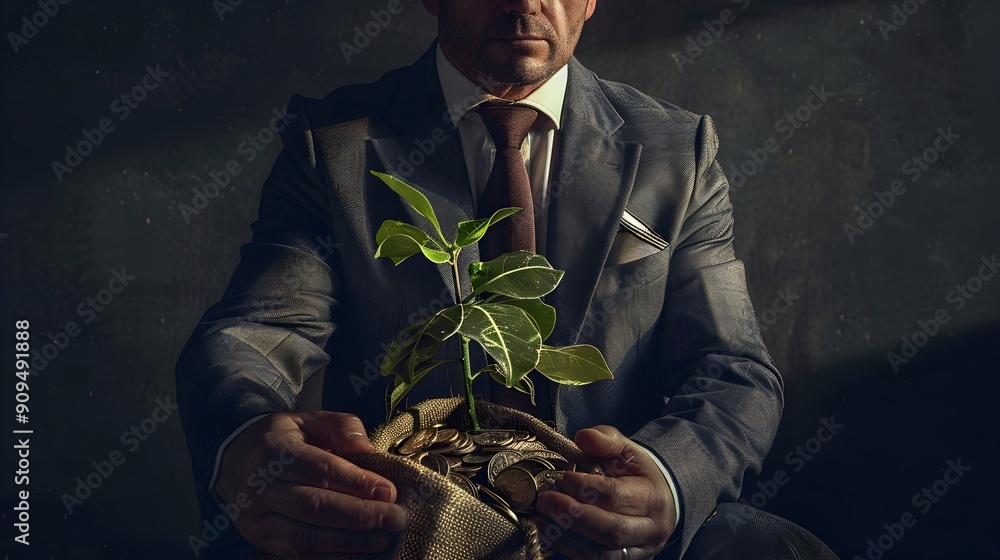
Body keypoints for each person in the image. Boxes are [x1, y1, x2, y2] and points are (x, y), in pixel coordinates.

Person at [176, 1, 838, 558]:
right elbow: (256, 334)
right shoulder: (335, 145)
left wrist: (667, 478)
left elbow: (733, 370)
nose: (524, 1)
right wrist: (244, 440)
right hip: (407, 519)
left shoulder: (678, 150)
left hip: (603, 532)